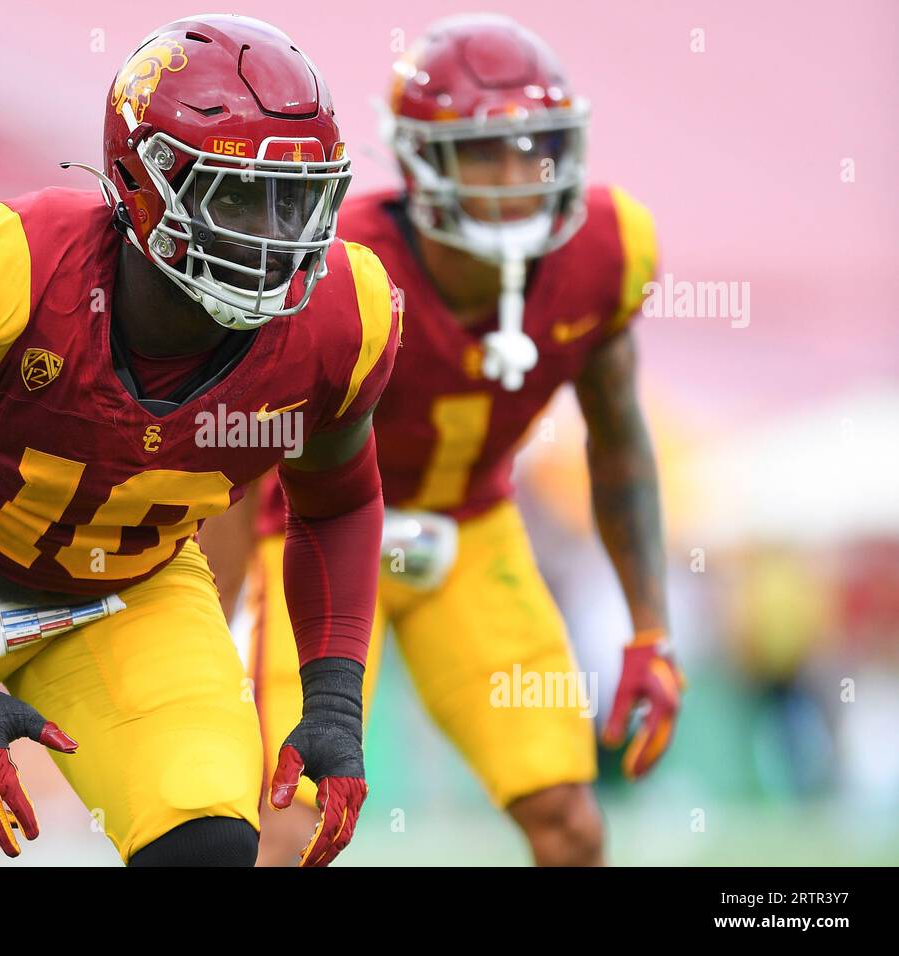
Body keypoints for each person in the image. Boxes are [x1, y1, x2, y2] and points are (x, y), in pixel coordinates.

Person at [0, 14, 401, 867]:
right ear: (143, 182)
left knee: (206, 848)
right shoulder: (9, 274)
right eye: (239, 195)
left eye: (298, 198)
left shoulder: (339, 319)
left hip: (131, 593)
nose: (277, 235)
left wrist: (333, 702)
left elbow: (340, 500)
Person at [233, 14, 684, 866]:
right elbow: (236, 444)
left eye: (536, 146)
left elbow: (619, 440)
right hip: (317, 536)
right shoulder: (338, 262)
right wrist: (209, 609)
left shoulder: (606, 251)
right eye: (486, 151)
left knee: (571, 824)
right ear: (420, 159)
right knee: (286, 830)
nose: (520, 175)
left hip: (470, 530)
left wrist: (650, 629)